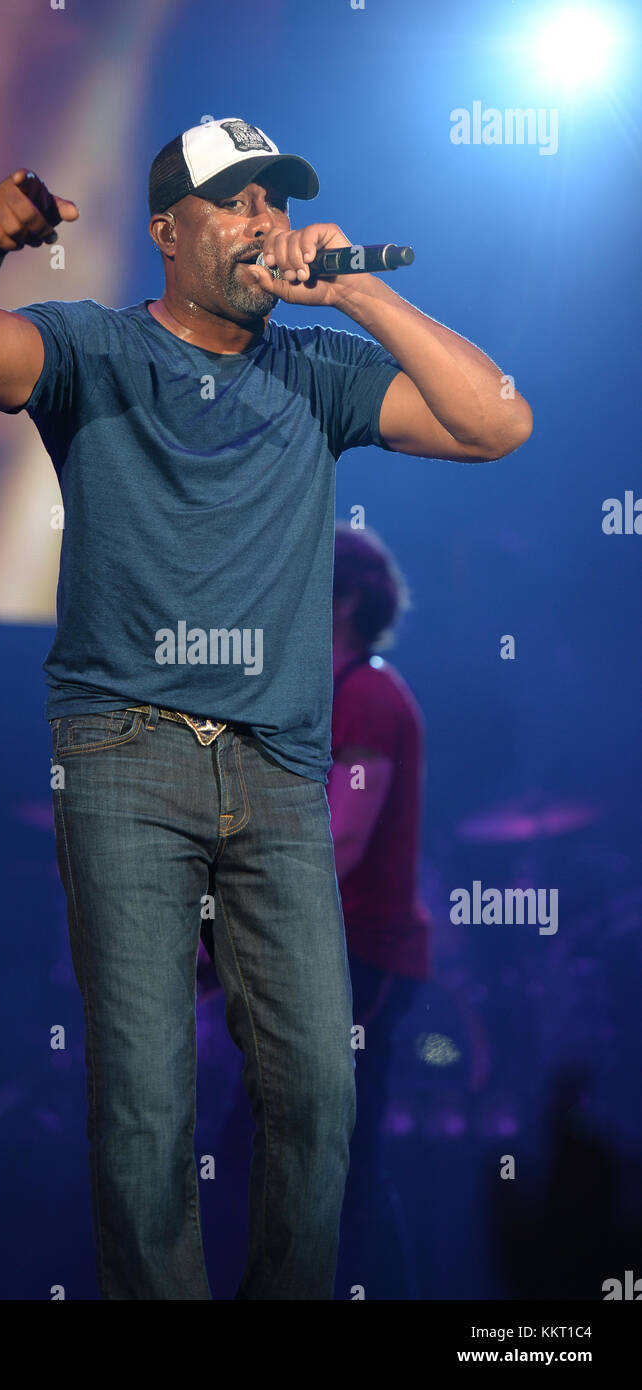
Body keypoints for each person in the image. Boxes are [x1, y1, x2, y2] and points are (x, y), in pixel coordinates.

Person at [0, 117, 532, 1299]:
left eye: (276, 204)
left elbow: (497, 421)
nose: (265, 224)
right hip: (122, 750)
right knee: (145, 1100)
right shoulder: (93, 348)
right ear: (166, 231)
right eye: (235, 202)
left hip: (279, 772)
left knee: (316, 1094)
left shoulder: (318, 369)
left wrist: (354, 294)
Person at [328, 523, 430, 1297]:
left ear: (345, 597)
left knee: (346, 1173)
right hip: (338, 959)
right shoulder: (343, 694)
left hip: (363, 960)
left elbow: (343, 842)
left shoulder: (366, 696)